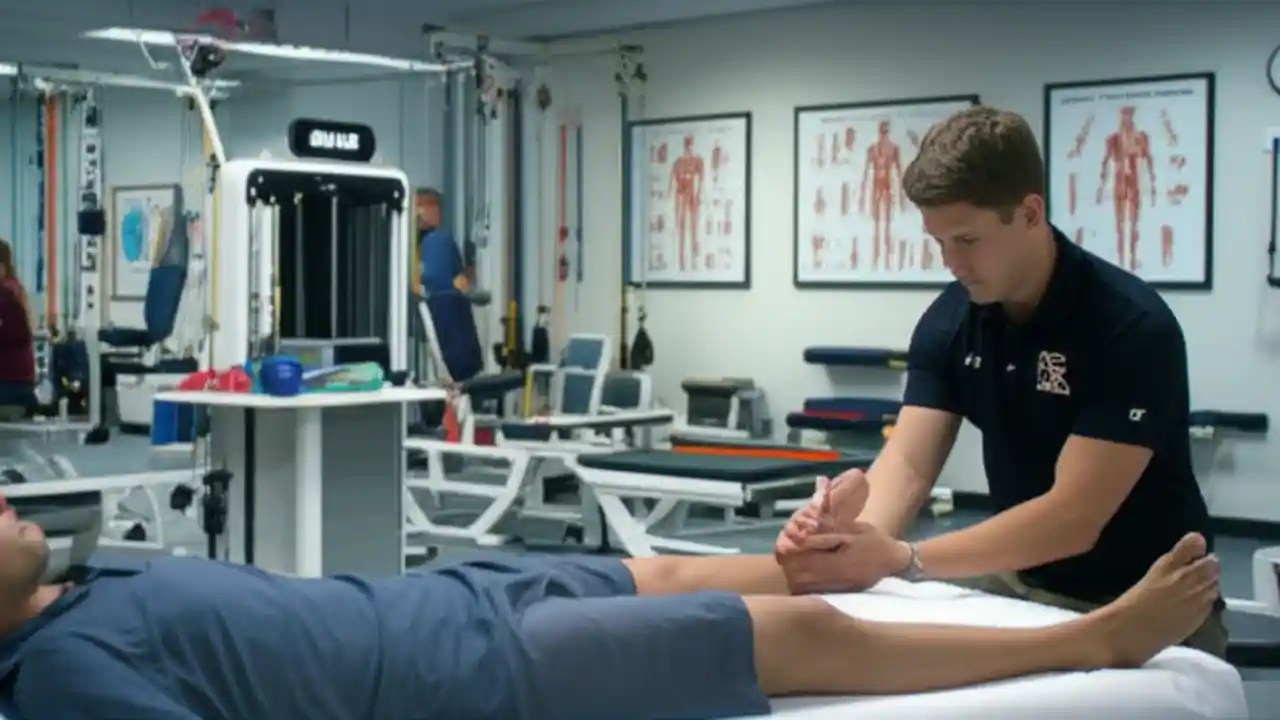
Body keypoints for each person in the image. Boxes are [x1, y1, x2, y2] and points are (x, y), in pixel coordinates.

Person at [0, 480, 1220, 720]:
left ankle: (840, 553)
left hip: (445, 593)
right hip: (471, 677)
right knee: (790, 636)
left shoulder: (84, 585)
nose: (8, 504)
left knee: (697, 568)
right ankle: (1090, 635)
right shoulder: (56, 676)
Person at [774, 105, 1226, 658]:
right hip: (1021, 586)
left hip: (1147, 600)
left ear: (1030, 213)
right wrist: (844, 542)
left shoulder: (1129, 325)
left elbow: (1072, 518)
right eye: (938, 243)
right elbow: (910, 464)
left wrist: (902, 558)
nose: (951, 262)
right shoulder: (950, 321)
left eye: (967, 240)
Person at [0, 239, 36, 420]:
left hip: (9, 385)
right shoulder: (15, 292)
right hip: (20, 384)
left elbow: (14, 336)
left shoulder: (6, 298)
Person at [415, 188, 471, 297]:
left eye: (433, 206)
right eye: (421, 206)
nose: (423, 211)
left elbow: (460, 278)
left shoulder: (444, 242)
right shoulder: (405, 241)